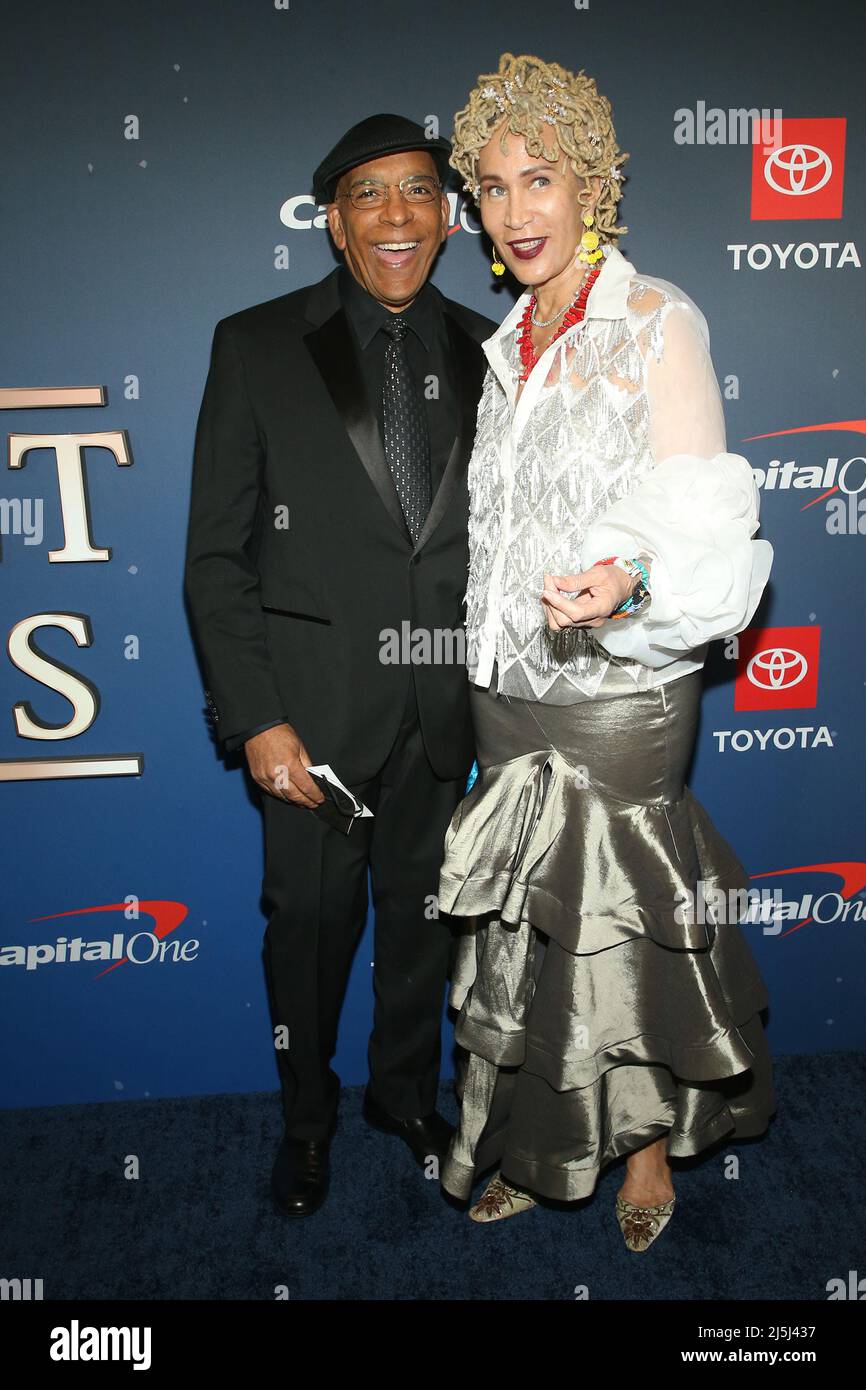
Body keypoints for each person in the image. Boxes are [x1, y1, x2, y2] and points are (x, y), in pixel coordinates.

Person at [436, 53, 777, 1252]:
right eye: (490, 186)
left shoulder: (653, 318)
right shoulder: (508, 342)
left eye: (541, 179)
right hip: (509, 685)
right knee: (528, 926)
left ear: (593, 188)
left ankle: (638, 1152)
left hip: (618, 688)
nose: (514, 210)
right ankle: (541, 1140)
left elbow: (697, 511)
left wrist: (625, 578)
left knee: (617, 923)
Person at [184, 114, 497, 1217]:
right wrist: (257, 718)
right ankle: (306, 1120)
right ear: (332, 222)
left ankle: (402, 1094)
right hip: (308, 725)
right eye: (368, 196)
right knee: (310, 938)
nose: (396, 215)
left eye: (417, 191)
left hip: (445, 713)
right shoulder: (256, 344)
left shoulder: (489, 349)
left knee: (420, 925)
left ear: (447, 216)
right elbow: (216, 557)